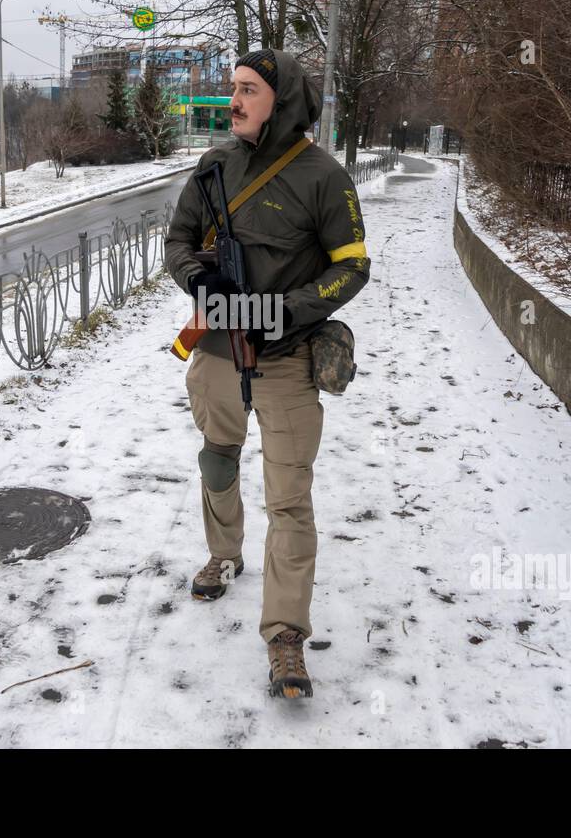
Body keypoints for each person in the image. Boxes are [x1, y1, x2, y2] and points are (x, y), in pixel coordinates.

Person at [164, 48, 371, 699]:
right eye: (233, 88)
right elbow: (175, 242)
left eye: (248, 90)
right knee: (218, 462)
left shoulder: (323, 177)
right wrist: (202, 279)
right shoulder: (214, 166)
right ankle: (224, 555)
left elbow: (352, 265)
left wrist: (287, 309)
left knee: (289, 501)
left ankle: (285, 637)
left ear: (280, 100)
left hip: (286, 364)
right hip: (219, 356)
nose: (235, 101)